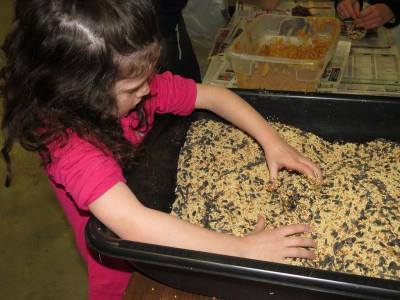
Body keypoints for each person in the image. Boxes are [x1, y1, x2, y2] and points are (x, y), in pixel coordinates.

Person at [0, 0, 322, 299]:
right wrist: (242, 249)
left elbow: (212, 96)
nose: (147, 90)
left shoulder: (139, 89)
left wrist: (272, 142)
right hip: (119, 265)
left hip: (153, 213)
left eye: (147, 77)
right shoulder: (69, 147)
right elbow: (134, 224)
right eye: (132, 87)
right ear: (83, 90)